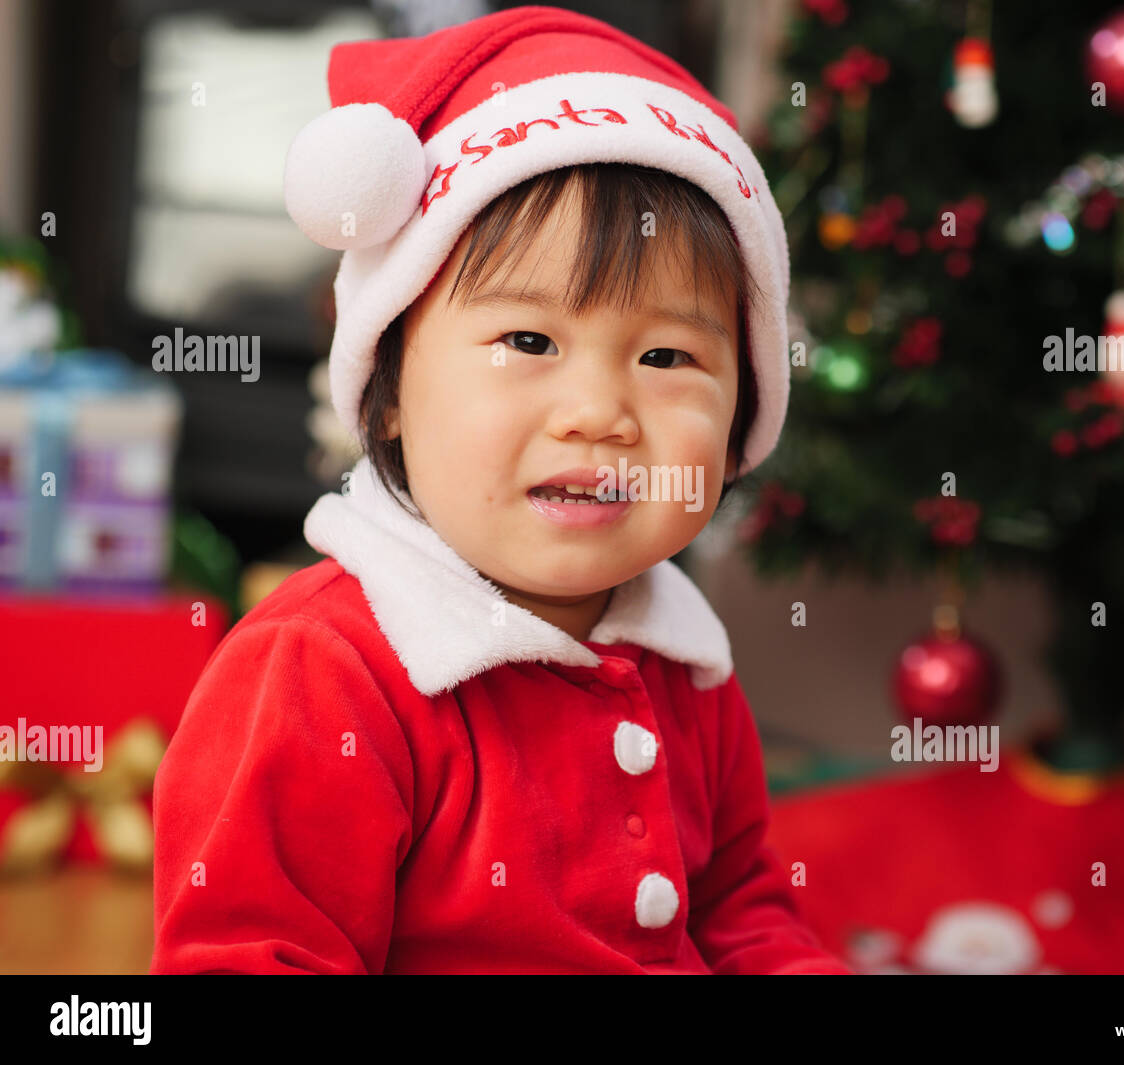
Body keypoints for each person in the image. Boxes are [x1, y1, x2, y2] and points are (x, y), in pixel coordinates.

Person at [150, 4, 852, 975]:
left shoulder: (683, 659)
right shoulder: (322, 671)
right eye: (528, 343)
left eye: (665, 355)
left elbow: (739, 911)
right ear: (387, 393)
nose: (597, 412)